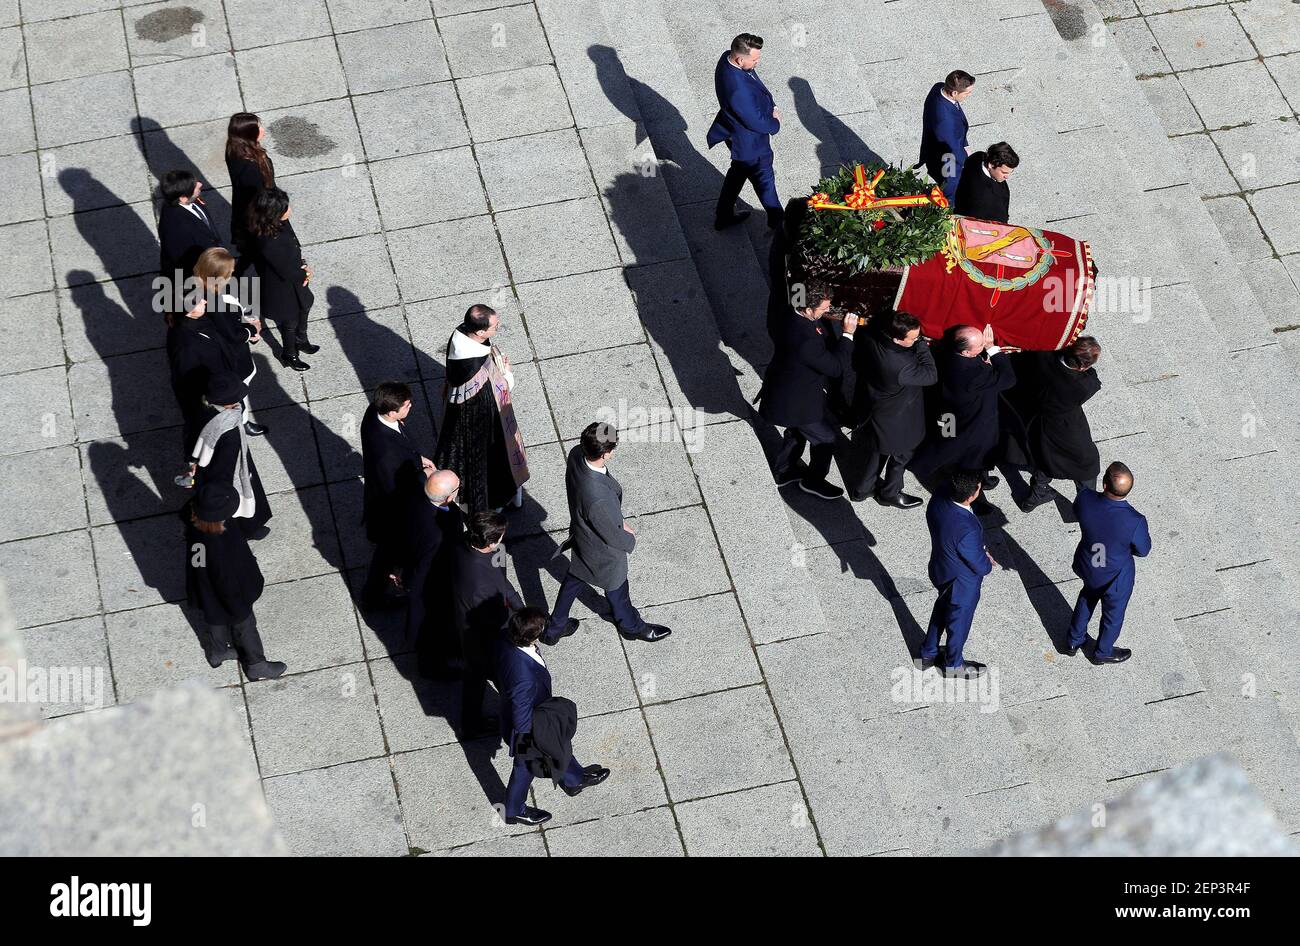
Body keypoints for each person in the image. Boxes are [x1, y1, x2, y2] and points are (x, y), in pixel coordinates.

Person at [542, 422, 670, 644]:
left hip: (583, 537)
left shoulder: (575, 454)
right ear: (605, 453)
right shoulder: (597, 496)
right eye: (613, 447)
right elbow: (611, 533)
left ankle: (554, 629)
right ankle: (631, 626)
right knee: (618, 589)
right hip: (602, 552)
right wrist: (628, 537)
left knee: (575, 579)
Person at [497, 607, 610, 826]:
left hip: (533, 712)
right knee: (524, 767)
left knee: (557, 745)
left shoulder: (507, 638)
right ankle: (512, 810)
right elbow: (521, 713)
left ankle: (574, 779)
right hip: (527, 727)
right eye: (542, 626)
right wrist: (524, 744)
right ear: (532, 636)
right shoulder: (524, 678)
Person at [167, 250, 264, 477]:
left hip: (223, 365)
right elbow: (229, 335)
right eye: (197, 303)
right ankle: (243, 421)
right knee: (239, 393)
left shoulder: (195, 302)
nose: (202, 302)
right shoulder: (190, 337)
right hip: (224, 375)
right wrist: (250, 330)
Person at [759, 279, 859, 499]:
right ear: (807, 308)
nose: (826, 312)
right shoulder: (806, 341)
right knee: (825, 439)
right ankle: (814, 481)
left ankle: (784, 470)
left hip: (786, 390)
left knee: (796, 432)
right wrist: (848, 335)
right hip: (798, 401)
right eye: (823, 309)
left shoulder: (790, 316)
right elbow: (835, 368)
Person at [433, 304, 529, 514]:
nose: (498, 328)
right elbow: (495, 394)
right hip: (486, 429)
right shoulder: (474, 367)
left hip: (460, 416)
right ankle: (495, 503)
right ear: (479, 332)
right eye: (495, 326)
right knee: (491, 465)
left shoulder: (460, 336)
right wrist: (507, 374)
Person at [184, 481, 285, 680]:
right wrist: (239, 608)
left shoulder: (196, 521)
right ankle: (256, 664)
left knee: (214, 614)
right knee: (245, 624)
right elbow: (226, 583)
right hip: (231, 591)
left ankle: (217, 651)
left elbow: (198, 561)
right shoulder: (219, 544)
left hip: (203, 582)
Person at [846, 310, 936, 507]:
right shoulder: (902, 365)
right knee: (901, 455)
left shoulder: (871, 338)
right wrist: (922, 347)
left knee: (879, 450)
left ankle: (863, 489)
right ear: (896, 338)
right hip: (898, 416)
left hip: (878, 406)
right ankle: (890, 492)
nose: (915, 340)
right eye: (912, 338)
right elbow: (930, 375)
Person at [912, 324, 1015, 492]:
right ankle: (972, 488)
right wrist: (992, 349)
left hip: (947, 413)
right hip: (973, 423)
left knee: (945, 440)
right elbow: (1008, 379)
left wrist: (983, 362)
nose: (984, 345)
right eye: (981, 345)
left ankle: (966, 473)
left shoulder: (947, 354)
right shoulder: (975, 375)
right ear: (966, 352)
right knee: (971, 455)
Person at [1068, 462, 1151, 665]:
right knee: (1113, 615)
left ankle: (1073, 640)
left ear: (1105, 484)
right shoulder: (1135, 520)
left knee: (1087, 596)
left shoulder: (1085, 498)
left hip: (1089, 565)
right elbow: (1143, 550)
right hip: (1115, 577)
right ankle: (1103, 652)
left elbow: (1077, 510)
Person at [1008, 337, 1103, 511]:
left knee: (1044, 455)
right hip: (1066, 427)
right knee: (1086, 465)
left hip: (1039, 420)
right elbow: (1095, 382)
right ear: (1082, 367)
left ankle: (1037, 493)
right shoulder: (1083, 385)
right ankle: (1087, 506)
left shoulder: (1044, 355)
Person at [360, 381, 434, 603]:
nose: (410, 407)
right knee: (386, 554)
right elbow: (399, 487)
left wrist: (417, 458)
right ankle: (373, 596)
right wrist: (426, 476)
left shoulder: (374, 411)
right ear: (392, 412)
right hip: (392, 510)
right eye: (407, 405)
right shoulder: (386, 454)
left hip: (383, 494)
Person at [451, 511, 522, 738]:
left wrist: (520, 605)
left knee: (481, 675)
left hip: (473, 621)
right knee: (477, 677)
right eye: (501, 536)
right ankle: (470, 726)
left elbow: (502, 580)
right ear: (490, 542)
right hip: (479, 636)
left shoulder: (467, 543)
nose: (503, 539)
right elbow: (495, 618)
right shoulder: (480, 583)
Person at [920, 470, 995, 678]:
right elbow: (981, 567)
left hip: (941, 569)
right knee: (958, 623)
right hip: (962, 584)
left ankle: (927, 654)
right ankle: (953, 665)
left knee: (941, 609)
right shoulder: (967, 528)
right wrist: (985, 558)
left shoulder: (939, 497)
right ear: (972, 495)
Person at [706, 33, 783, 230]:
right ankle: (779, 222)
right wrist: (774, 123)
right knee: (764, 178)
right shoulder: (738, 90)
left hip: (734, 133)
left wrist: (770, 103)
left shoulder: (727, 58)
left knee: (738, 172)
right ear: (740, 59)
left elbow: (752, 79)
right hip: (749, 142)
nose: (757, 62)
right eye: (755, 59)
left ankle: (723, 215)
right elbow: (755, 120)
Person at [191, 373, 272, 538]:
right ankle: (248, 528)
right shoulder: (230, 429)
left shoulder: (206, 408)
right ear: (228, 403)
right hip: (229, 470)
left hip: (208, 460)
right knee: (237, 497)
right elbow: (226, 469)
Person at [400, 469, 464, 678]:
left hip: (414, 562)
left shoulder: (416, 499)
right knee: (434, 628)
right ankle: (432, 668)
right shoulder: (439, 532)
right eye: (457, 487)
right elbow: (424, 572)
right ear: (448, 497)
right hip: (433, 585)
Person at [247, 187, 316, 371]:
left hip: (293, 280)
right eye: (286, 208)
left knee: (306, 305)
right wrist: (305, 272)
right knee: (290, 320)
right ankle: (289, 354)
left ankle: (301, 339)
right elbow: (285, 270)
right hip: (281, 287)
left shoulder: (275, 223)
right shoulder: (269, 241)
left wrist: (302, 265)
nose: (290, 210)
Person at [157, 169, 225, 313]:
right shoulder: (175, 228)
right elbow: (188, 265)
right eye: (194, 186)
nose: (200, 184)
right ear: (182, 198)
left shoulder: (189, 201)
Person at [225, 112, 275, 274]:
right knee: (259, 251)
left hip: (246, 212)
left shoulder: (235, 148)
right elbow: (259, 198)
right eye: (258, 127)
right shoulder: (249, 167)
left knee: (250, 251)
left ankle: (237, 273)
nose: (262, 129)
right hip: (256, 216)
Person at [918, 69, 975, 203]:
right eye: (967, 92)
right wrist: (969, 162)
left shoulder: (938, 87)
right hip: (947, 160)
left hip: (939, 149)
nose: (970, 94)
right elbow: (953, 149)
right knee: (951, 189)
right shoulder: (945, 121)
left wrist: (965, 144)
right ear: (954, 92)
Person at [953, 141, 1019, 223]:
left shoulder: (978, 157)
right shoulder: (984, 197)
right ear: (991, 165)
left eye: (1010, 172)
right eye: (1004, 172)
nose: (1007, 177)